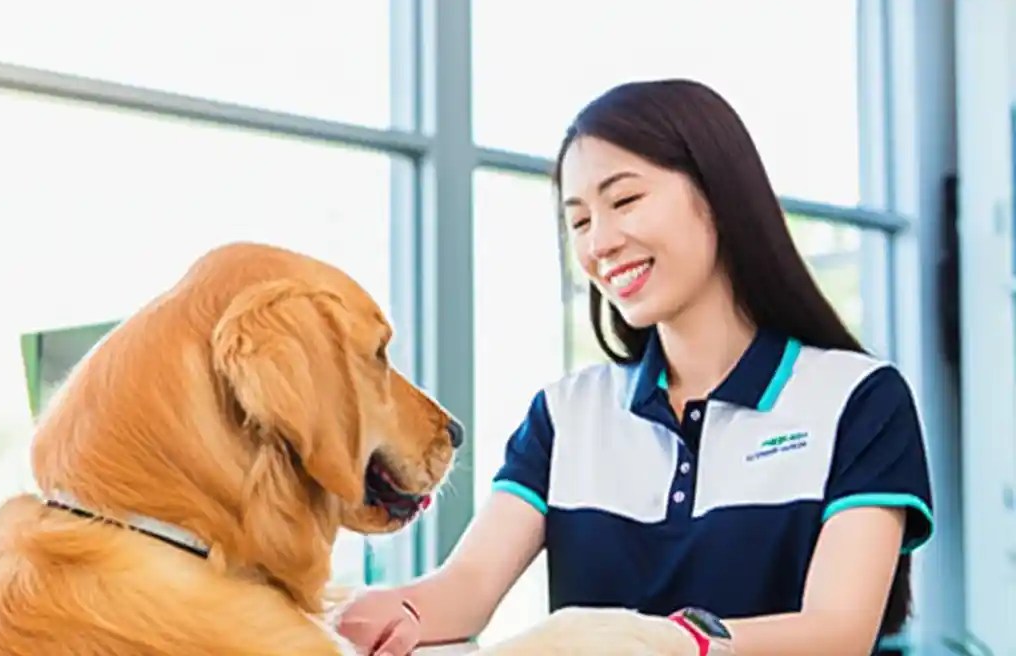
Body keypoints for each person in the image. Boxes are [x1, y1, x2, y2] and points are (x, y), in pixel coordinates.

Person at [335, 79, 935, 656]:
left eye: (624, 200)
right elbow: (465, 588)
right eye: (579, 221)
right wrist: (394, 613)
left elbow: (837, 632)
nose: (599, 243)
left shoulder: (858, 399)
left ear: (718, 194)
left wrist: (669, 643)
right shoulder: (566, 414)